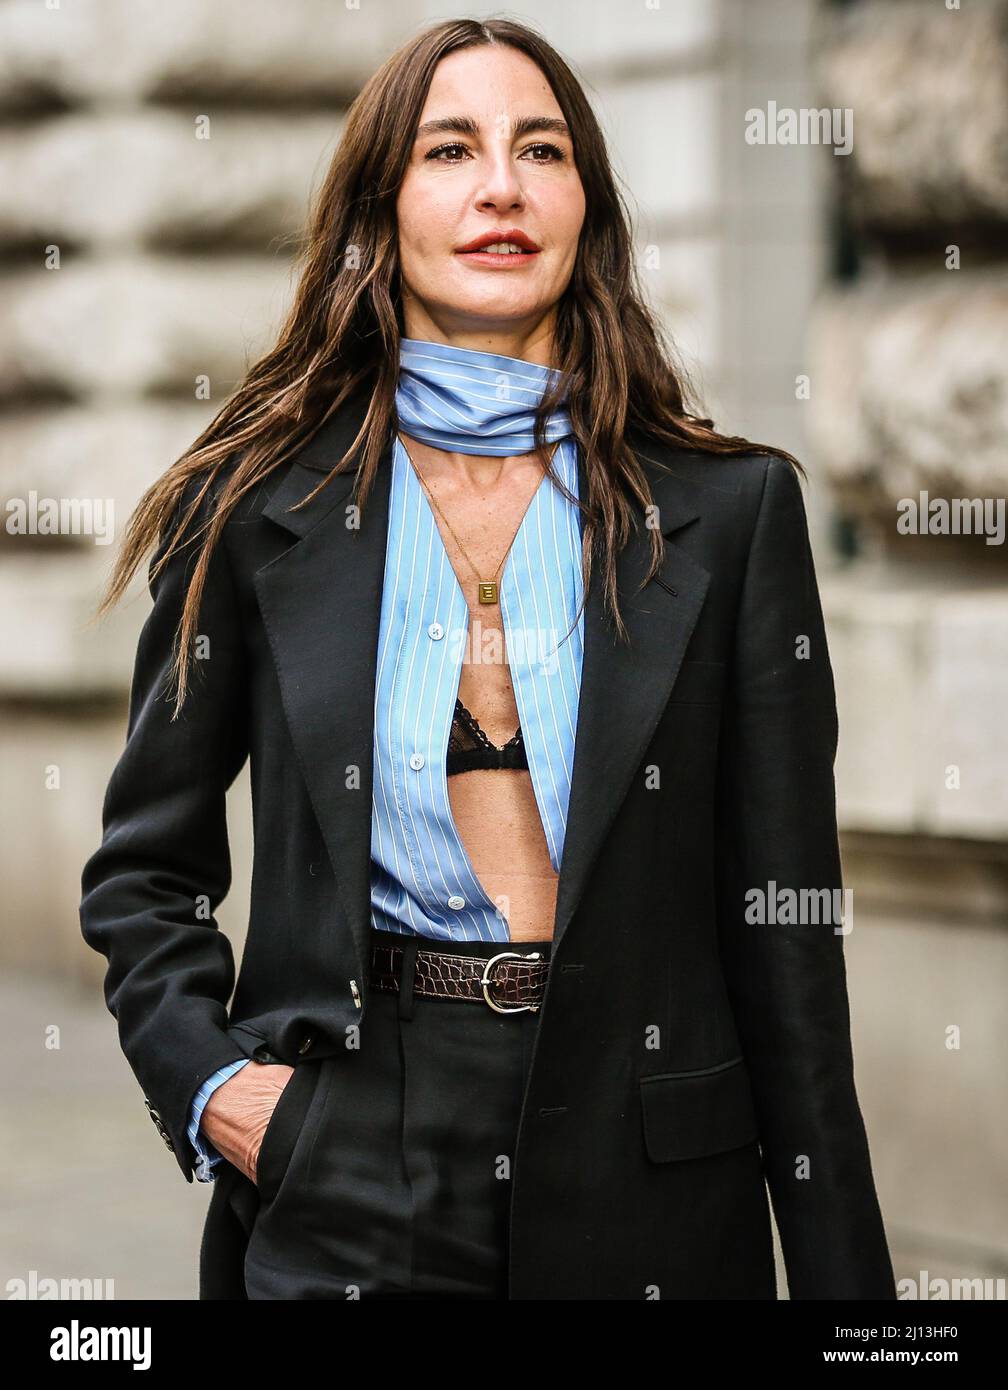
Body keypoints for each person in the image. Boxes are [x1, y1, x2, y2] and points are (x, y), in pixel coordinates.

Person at [79, 16, 896, 1300]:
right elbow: (145, 872)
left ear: (587, 205)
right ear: (381, 208)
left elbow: (787, 937)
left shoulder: (732, 515)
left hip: (654, 1168)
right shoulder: (253, 507)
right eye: (450, 149)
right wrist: (226, 1096)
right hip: (349, 1154)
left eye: (542, 149)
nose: (500, 186)